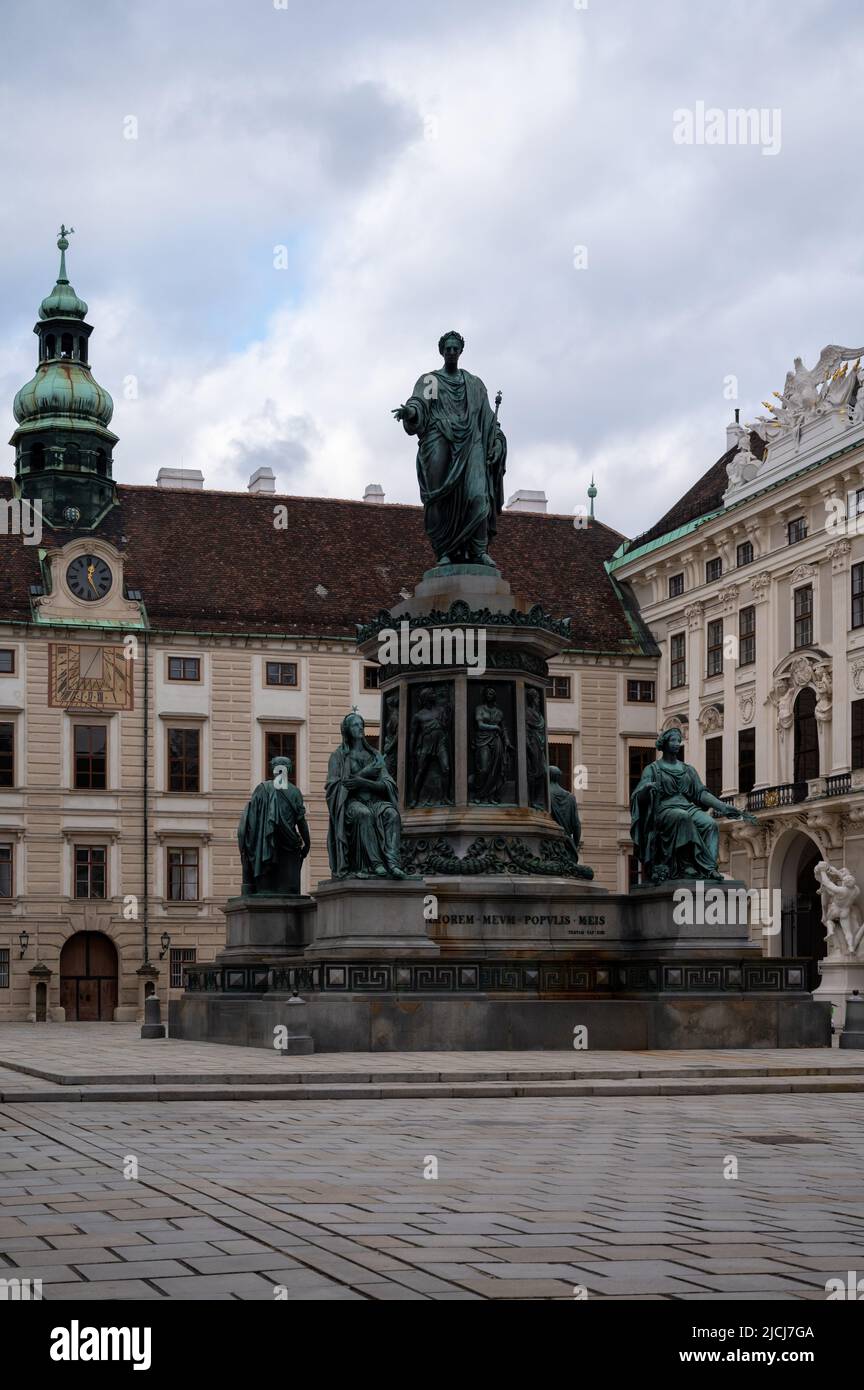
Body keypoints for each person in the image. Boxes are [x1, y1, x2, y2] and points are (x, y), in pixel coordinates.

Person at [392, 331, 506, 566]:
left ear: (461, 351)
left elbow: (488, 420)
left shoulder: (474, 384)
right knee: (438, 499)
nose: (452, 352)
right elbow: (419, 403)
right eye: (448, 348)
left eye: (456, 348)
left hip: (471, 442)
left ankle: (479, 550)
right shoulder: (432, 381)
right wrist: (410, 412)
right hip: (440, 438)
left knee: (477, 495)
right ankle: (443, 550)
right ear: (442, 351)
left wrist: (495, 442)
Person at [630, 727, 756, 883]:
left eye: (678, 740)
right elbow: (638, 796)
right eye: (673, 740)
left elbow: (701, 794)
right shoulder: (653, 769)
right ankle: (686, 865)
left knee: (710, 824)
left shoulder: (687, 770)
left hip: (687, 807)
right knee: (683, 818)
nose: (677, 744)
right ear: (664, 743)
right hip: (665, 810)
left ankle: (709, 868)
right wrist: (646, 788)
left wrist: (723, 807)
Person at [325, 711, 405, 879]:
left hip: (375, 800)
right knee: (363, 814)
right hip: (352, 803)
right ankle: (375, 864)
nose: (360, 728)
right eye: (355, 725)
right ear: (346, 730)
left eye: (362, 725)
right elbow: (335, 787)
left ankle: (392, 862)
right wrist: (365, 773)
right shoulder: (338, 756)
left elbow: (388, 784)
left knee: (392, 814)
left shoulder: (374, 755)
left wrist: (364, 782)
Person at [237, 755, 310, 895]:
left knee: (266, 888)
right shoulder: (295, 792)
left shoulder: (262, 789)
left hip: (265, 843)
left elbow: (252, 820)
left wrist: (252, 839)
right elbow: (301, 821)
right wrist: (307, 842)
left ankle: (264, 888)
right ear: (289, 769)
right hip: (289, 845)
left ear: (273, 769)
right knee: (288, 890)